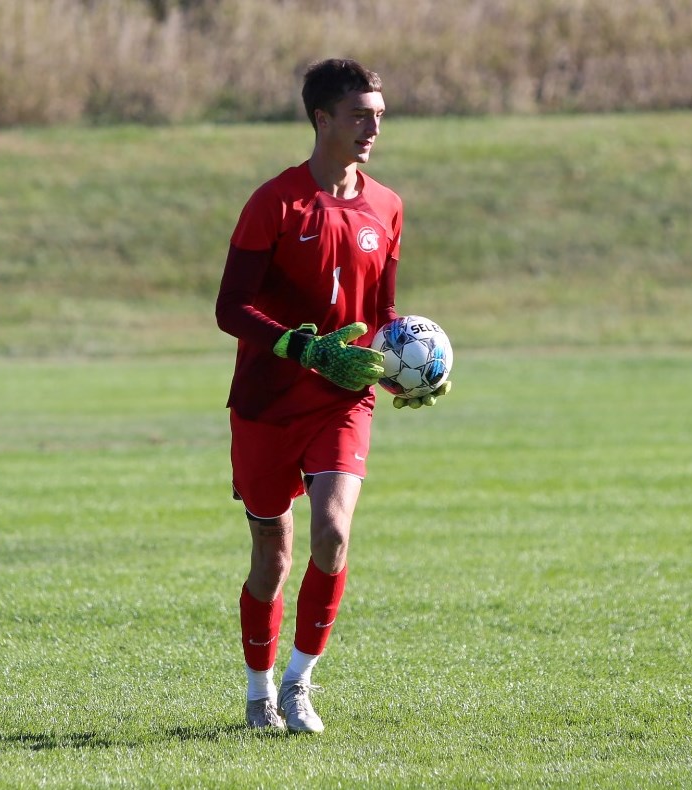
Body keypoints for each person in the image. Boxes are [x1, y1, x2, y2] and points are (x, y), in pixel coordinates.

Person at [215, 58, 450, 734]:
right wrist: (300, 346)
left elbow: (382, 311)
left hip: (344, 399)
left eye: (378, 114)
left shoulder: (388, 206)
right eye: (359, 115)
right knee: (272, 557)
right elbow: (231, 308)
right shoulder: (276, 202)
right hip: (266, 401)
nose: (373, 126)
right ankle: (257, 693)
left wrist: (409, 369)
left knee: (333, 534)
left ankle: (297, 685)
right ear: (322, 120)